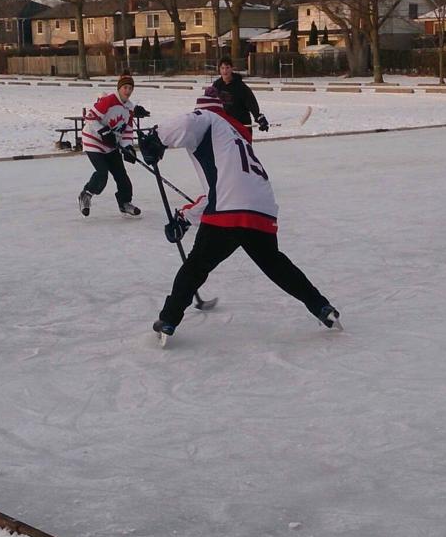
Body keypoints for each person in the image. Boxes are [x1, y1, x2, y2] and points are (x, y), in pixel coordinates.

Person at [139, 85, 339, 345]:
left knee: (196, 267)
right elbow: (219, 193)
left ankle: (168, 319)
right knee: (277, 266)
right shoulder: (235, 137)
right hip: (262, 208)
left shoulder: (208, 118)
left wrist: (156, 137)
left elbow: (188, 123)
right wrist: (184, 217)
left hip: (230, 207)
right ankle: (322, 307)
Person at [79, 73, 150, 217]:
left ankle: (125, 203)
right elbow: (90, 117)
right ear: (119, 88)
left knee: (122, 176)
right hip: (93, 140)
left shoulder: (129, 108)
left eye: (130, 88)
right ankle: (86, 194)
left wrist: (128, 146)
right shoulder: (109, 100)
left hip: (111, 145)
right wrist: (104, 132)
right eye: (125, 87)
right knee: (102, 173)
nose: (128, 91)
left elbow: (127, 130)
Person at [211, 57, 269, 131]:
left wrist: (259, 118)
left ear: (231, 69)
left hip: (241, 125)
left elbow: (252, 104)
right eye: (222, 68)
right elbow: (210, 103)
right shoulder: (217, 86)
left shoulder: (241, 87)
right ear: (219, 69)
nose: (225, 71)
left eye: (227, 68)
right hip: (223, 126)